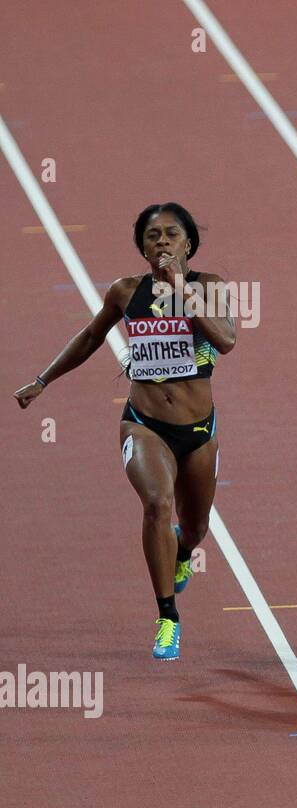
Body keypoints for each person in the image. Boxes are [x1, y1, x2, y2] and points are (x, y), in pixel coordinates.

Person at [13, 202, 236, 660]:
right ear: (142, 247)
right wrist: (42, 381)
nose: (162, 243)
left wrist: (179, 288)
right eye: (152, 236)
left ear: (189, 243)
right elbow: (92, 337)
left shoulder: (208, 286)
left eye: (172, 235)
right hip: (144, 423)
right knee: (157, 504)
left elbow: (226, 340)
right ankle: (167, 618)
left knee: (194, 529)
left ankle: (180, 554)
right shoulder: (125, 291)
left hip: (198, 430)